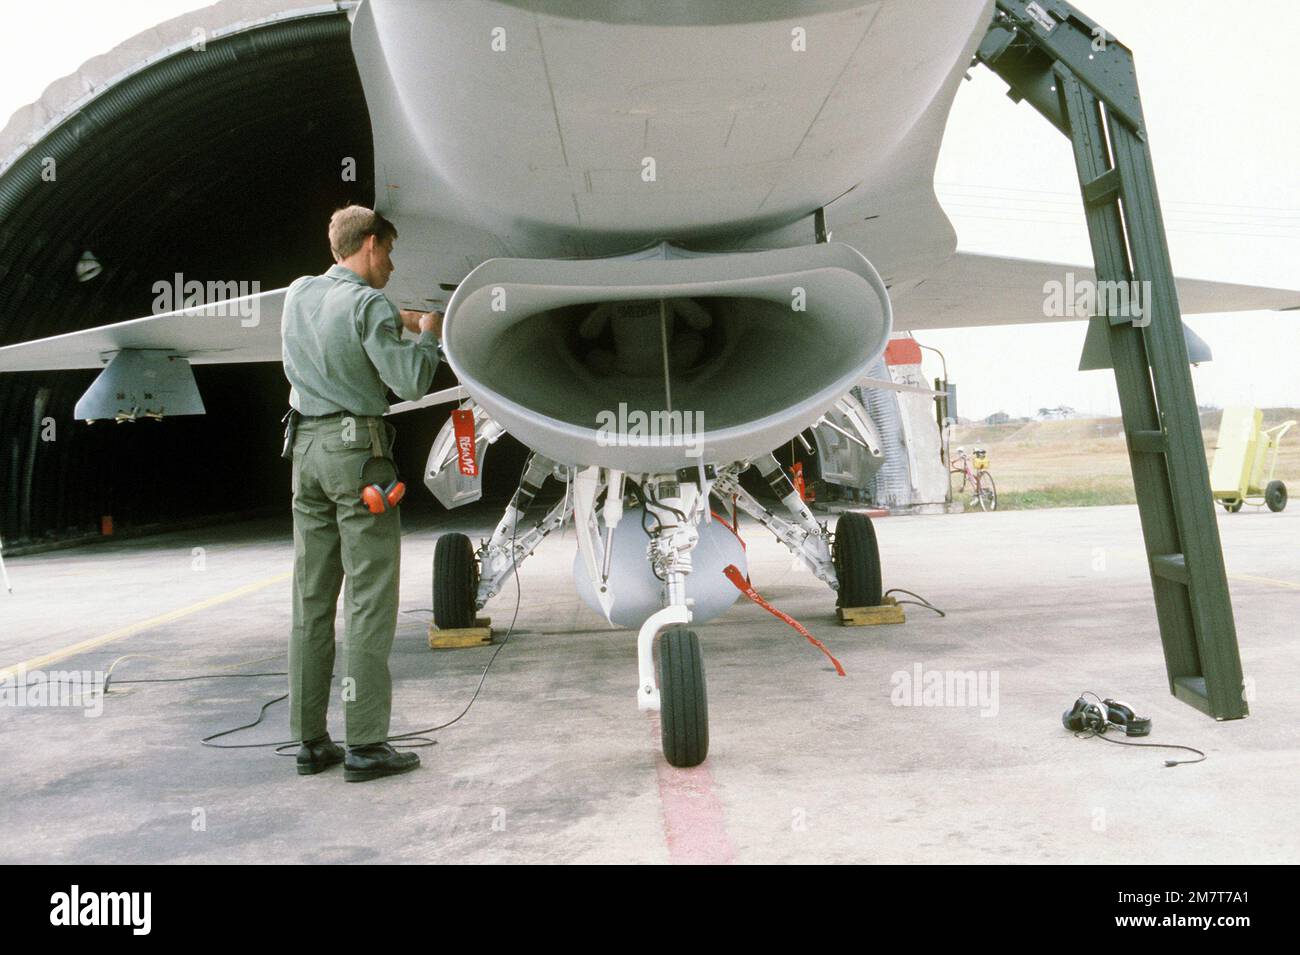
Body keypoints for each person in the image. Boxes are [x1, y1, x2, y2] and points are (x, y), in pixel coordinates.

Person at [281, 205, 441, 781]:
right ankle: (367, 744)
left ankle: (310, 741)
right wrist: (427, 335)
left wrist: (388, 317)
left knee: (312, 598)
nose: (393, 265)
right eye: (390, 252)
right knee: (370, 598)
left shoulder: (299, 292)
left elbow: (343, 321)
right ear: (370, 244)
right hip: (358, 460)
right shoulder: (369, 305)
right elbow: (411, 381)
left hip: (304, 454)